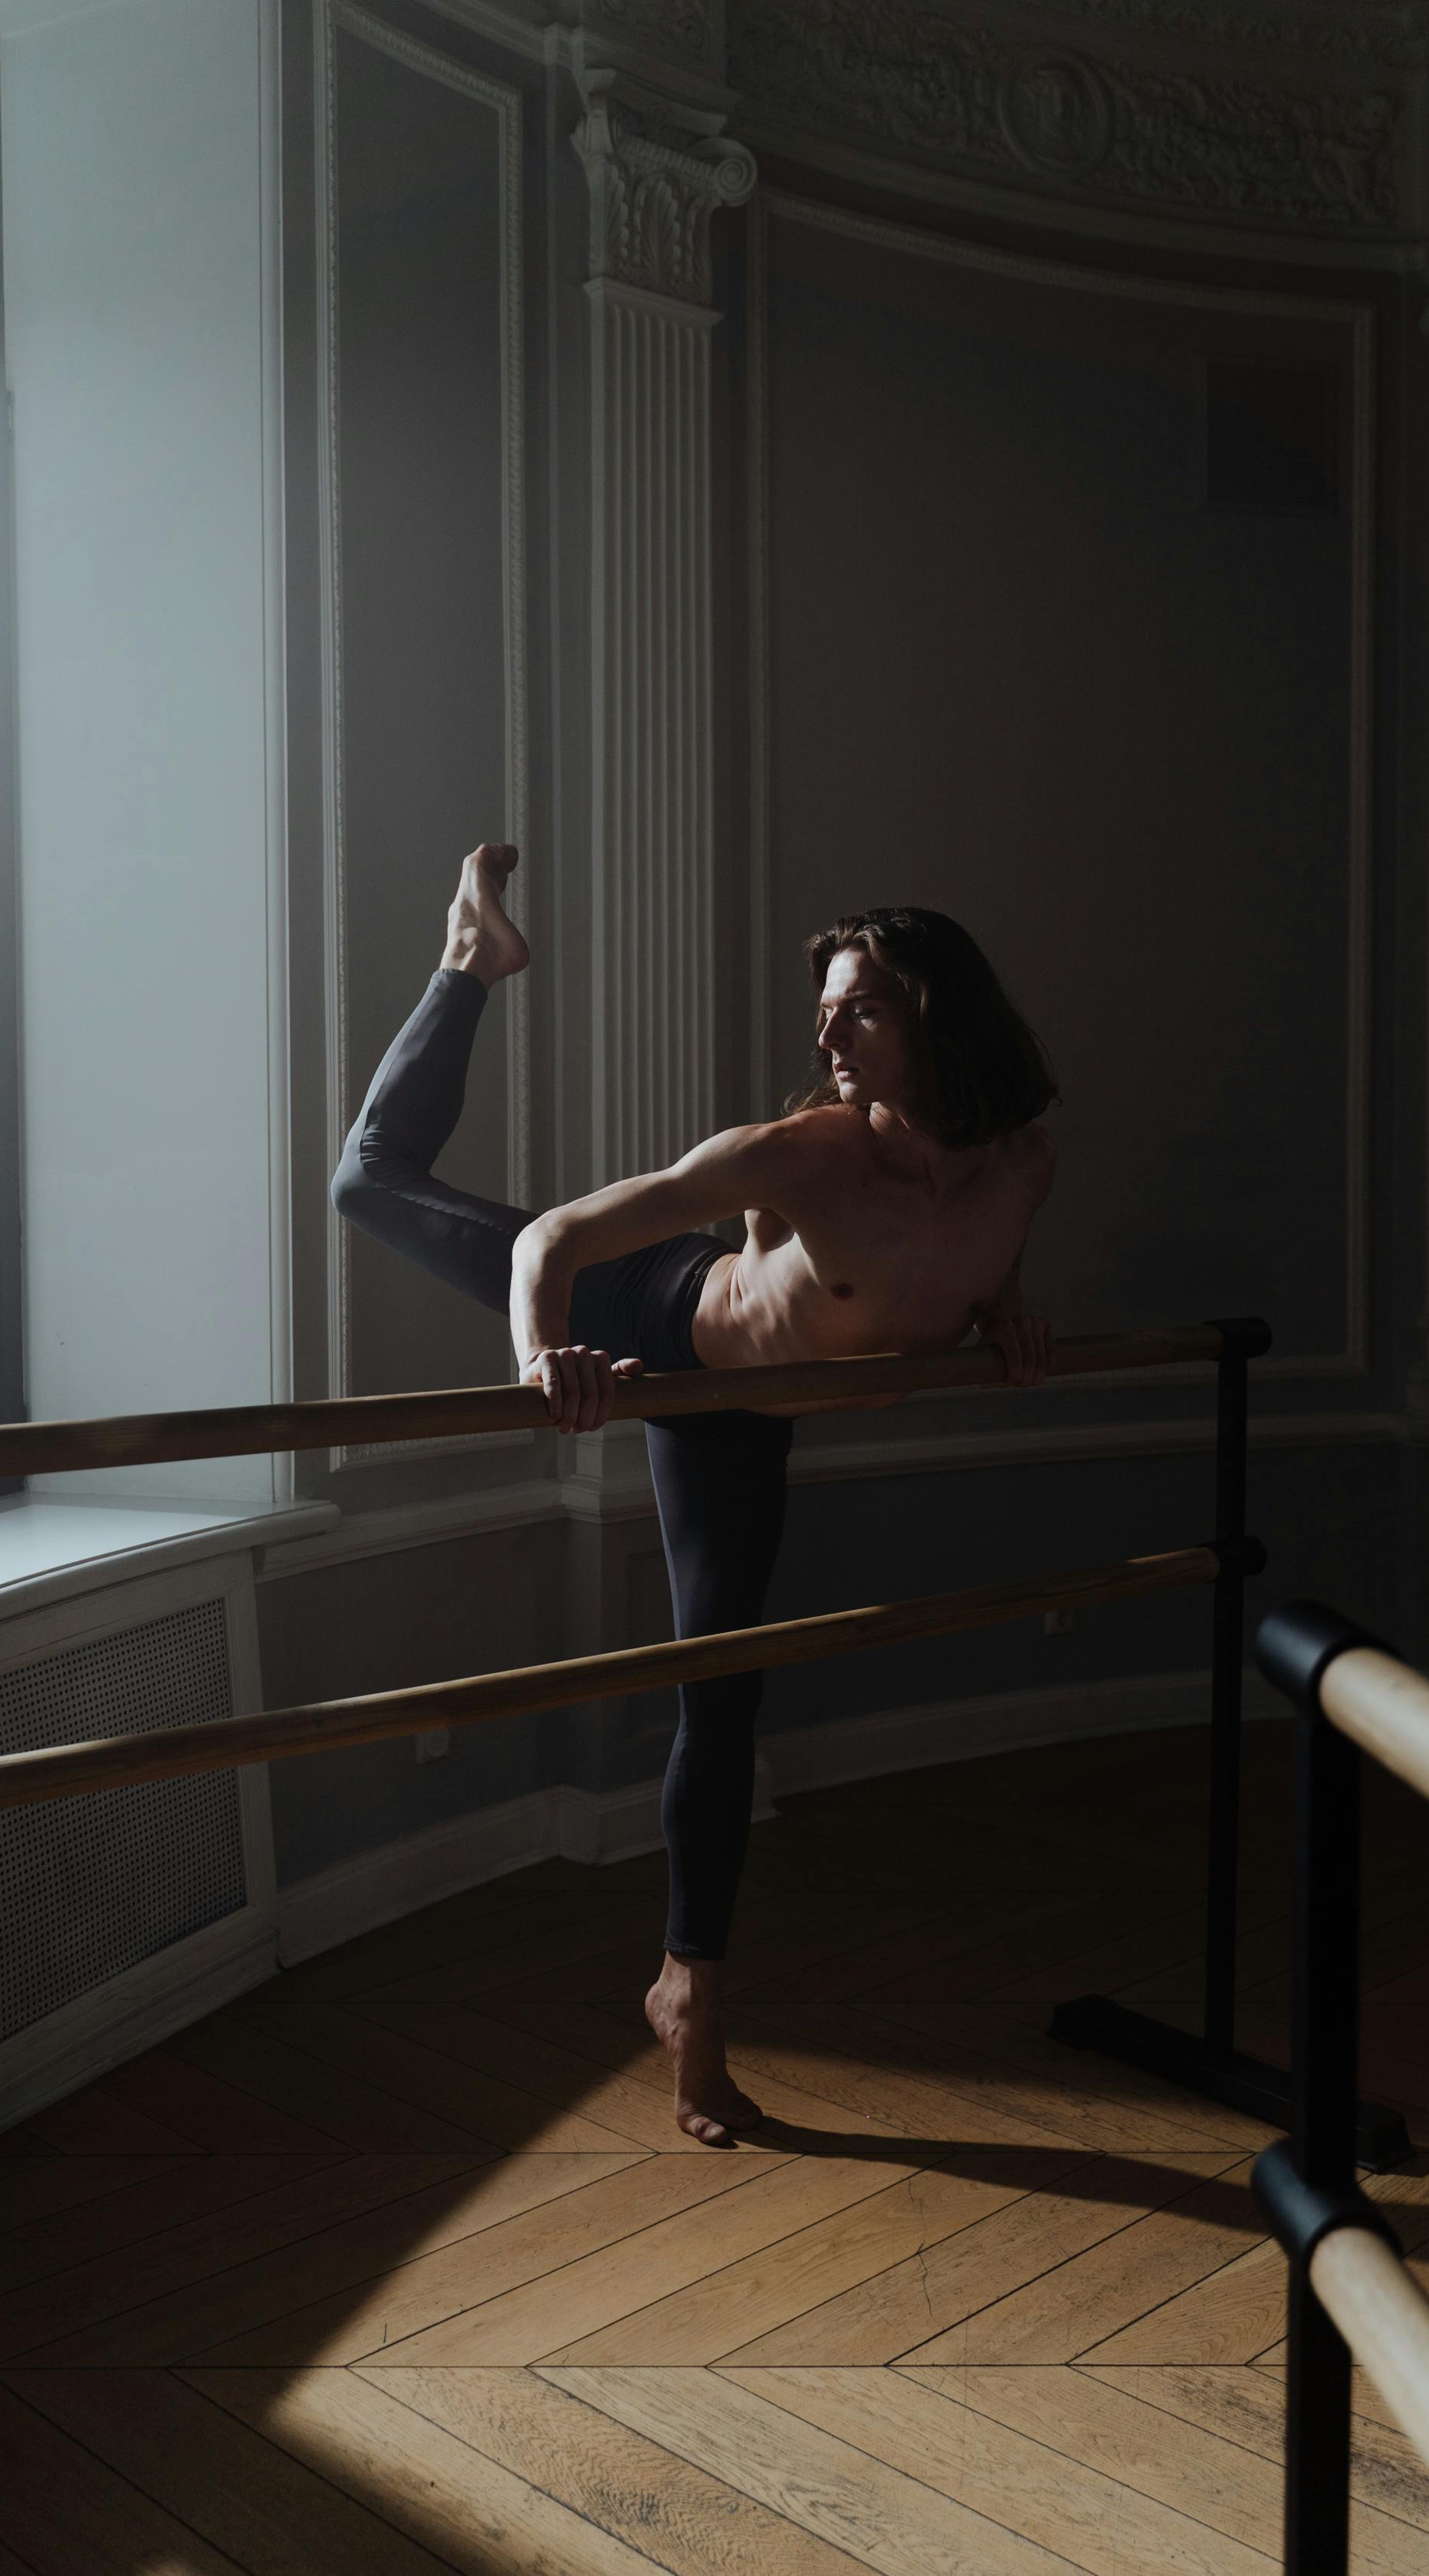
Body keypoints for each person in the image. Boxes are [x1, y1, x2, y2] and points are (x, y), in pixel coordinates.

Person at [333, 845, 1059, 2143]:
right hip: (667, 1329)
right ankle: (467, 963)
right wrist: (538, 1361)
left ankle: (681, 1989)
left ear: (940, 1018)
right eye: (825, 1004)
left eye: (864, 1007)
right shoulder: (798, 1157)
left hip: (754, 1416)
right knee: (363, 1186)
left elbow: (962, 1268)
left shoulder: (1019, 1169)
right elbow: (554, 1241)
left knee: (727, 1691)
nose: (828, 1029)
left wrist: (1003, 1322)